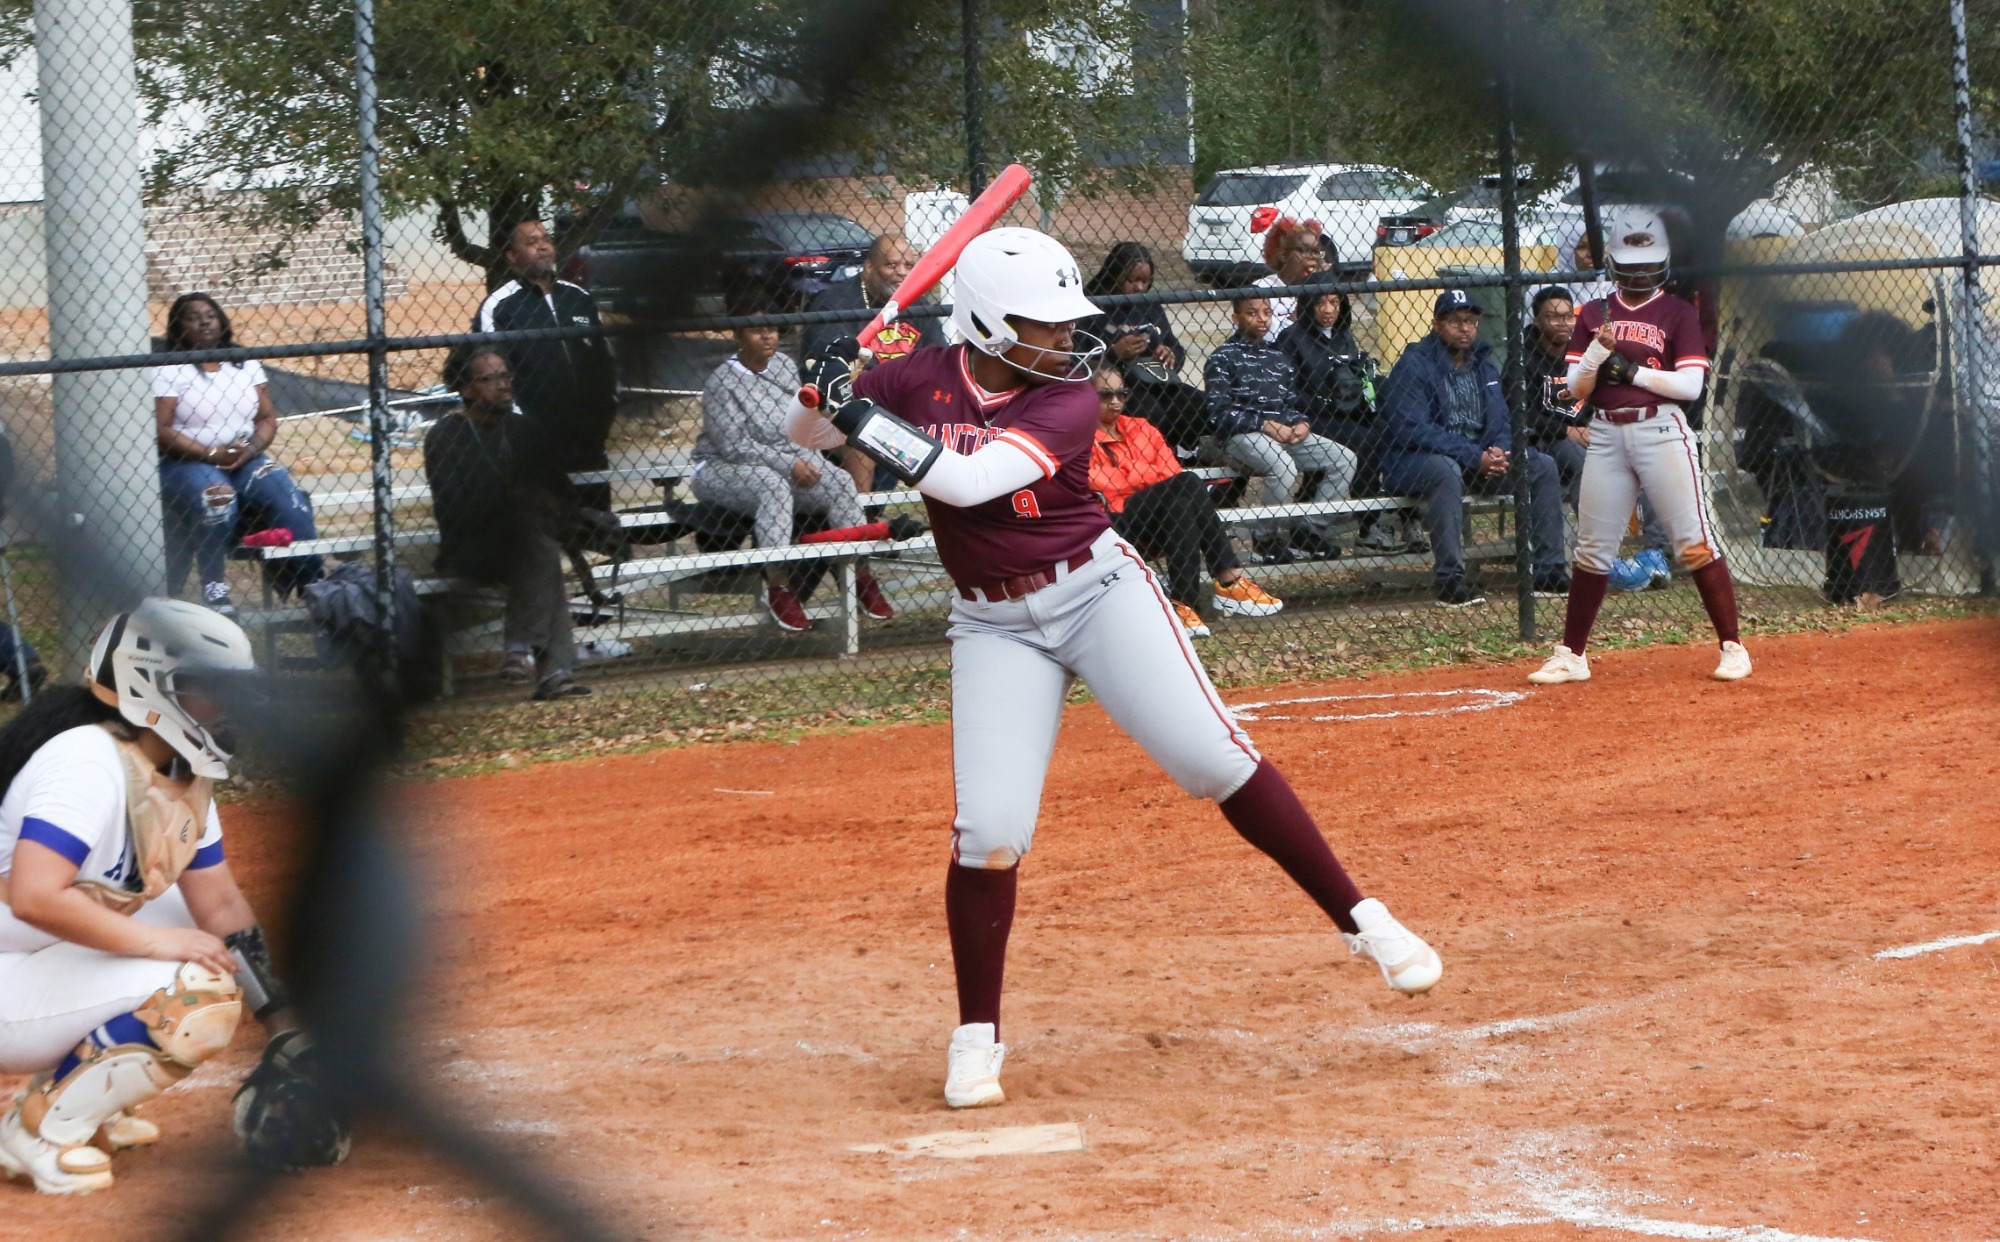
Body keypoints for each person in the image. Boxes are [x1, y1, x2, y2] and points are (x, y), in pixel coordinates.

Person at [785, 227, 1441, 1112]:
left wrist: (860, 413)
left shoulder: (1063, 401)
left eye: (1065, 322)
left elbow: (967, 482)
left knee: (1211, 758)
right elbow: (808, 429)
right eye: (1042, 323)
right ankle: (976, 1035)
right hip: (992, 621)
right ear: (981, 322)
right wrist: (824, 379)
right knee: (990, 831)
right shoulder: (917, 374)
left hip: (1096, 591)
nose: (1065, 340)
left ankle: (1364, 919)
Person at [0, 600, 332, 1193]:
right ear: (146, 684)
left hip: (27, 957)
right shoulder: (86, 760)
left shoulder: (178, 768)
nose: (227, 705)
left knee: (205, 939)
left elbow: (222, 908)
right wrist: (158, 942)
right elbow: (32, 896)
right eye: (208, 687)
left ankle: (79, 1097)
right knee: (193, 988)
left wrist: (284, 1028)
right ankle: (37, 1133)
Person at [1528, 209, 1750, 684]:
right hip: (1606, 433)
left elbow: (1691, 386)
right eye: (1630, 268)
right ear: (1614, 265)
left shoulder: (1678, 312)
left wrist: (1634, 373)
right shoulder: (1592, 314)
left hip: (1661, 430)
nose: (1638, 276)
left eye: (1646, 268)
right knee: (1593, 548)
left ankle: (1733, 646)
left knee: (1693, 542)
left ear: (1662, 266)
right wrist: (1597, 352)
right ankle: (1572, 654)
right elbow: (1576, 388)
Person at [693, 323, 893, 633]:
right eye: (756, 330)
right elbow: (733, 447)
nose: (767, 336)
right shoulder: (722, 380)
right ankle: (779, 586)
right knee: (771, 485)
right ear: (738, 335)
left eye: (772, 329)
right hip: (721, 468)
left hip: (782, 465)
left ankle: (858, 575)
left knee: (839, 482)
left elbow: (803, 425)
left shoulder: (785, 367)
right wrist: (790, 465)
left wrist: (808, 462)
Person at [1378, 290, 1571, 607]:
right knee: (1446, 470)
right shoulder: (1414, 364)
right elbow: (1413, 429)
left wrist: (1500, 451)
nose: (1465, 328)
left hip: (1480, 460)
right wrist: (1474, 456)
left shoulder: (1484, 362)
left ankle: (1549, 572)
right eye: (1455, 321)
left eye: (1471, 321)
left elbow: (1504, 418)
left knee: (1541, 465)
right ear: (1436, 324)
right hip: (1417, 461)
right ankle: (1449, 580)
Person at [422, 345, 591, 700]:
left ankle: (525, 655)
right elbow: (452, 508)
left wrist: (545, 503)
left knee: (537, 545)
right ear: (465, 388)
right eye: (489, 378)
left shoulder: (526, 430)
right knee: (540, 549)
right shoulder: (445, 436)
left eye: (505, 375)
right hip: (473, 545)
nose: (502, 385)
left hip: (530, 545)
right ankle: (543, 664)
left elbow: (563, 493)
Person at [154, 292, 322, 617]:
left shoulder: (244, 364)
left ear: (221, 321)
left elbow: (267, 417)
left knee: (288, 496)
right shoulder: (169, 368)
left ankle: (314, 584)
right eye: (193, 316)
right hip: (187, 462)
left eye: (210, 315)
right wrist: (210, 452)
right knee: (218, 498)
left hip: (244, 458)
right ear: (178, 326)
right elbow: (161, 429)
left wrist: (252, 449)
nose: (204, 321)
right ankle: (215, 588)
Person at [1087, 364, 1283, 637]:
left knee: (1181, 503)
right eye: (1106, 395)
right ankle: (1228, 580)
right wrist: (1145, 473)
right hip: (1116, 521)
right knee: (1187, 485)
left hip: (1158, 518)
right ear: (1086, 396)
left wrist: (1129, 472)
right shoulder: (1079, 437)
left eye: (1122, 393)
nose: (1116, 401)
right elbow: (1100, 483)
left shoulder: (1141, 427)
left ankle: (1183, 605)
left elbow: (1170, 472)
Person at [1203, 295, 1359, 564]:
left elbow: (1289, 403)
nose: (1262, 318)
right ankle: (1266, 539)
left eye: (1266, 312)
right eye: (1252, 313)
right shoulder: (1222, 358)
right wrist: (1264, 424)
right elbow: (1219, 412)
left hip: (1282, 433)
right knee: (1283, 468)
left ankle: (1308, 531)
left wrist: (1301, 422)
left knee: (1344, 459)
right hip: (1242, 435)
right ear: (1236, 318)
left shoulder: (1278, 357)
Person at [473, 219, 620, 499]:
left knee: (596, 525)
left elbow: (606, 362)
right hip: (533, 443)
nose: (542, 246)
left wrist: (605, 411)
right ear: (512, 256)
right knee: (549, 525)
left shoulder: (580, 298)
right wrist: (523, 427)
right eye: (531, 242)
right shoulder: (499, 306)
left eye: (545, 239)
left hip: (589, 438)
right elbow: (492, 375)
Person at [799, 233, 949, 494]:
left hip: (904, 404)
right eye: (891, 265)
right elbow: (835, 370)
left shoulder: (917, 304)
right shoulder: (836, 303)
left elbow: (939, 357)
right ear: (869, 267)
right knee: (863, 425)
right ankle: (862, 518)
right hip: (841, 409)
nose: (901, 273)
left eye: (908, 266)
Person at [1278, 276, 1410, 554]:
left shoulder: (1343, 336)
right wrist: (1325, 400)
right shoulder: (1291, 338)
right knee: (1365, 440)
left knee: (1387, 428)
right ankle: (1369, 526)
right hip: (1310, 417)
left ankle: (1409, 517)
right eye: (1321, 303)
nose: (1328, 310)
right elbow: (1287, 391)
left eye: (1334, 302)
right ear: (1308, 305)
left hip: (1345, 412)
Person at [1078, 243, 1208, 454]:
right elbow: (1079, 360)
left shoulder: (1149, 303)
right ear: (1114, 275)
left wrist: (1171, 353)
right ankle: (1150, 458)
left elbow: (1174, 344)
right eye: (1132, 280)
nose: (1139, 288)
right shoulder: (1092, 305)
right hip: (1123, 385)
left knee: (1195, 402)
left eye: (1145, 281)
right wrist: (1114, 353)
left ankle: (1182, 454)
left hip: (1158, 381)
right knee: (1149, 411)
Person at [1255, 218, 1328, 341]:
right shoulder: (1261, 289)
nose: (1313, 257)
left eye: (1316, 251)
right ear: (1283, 255)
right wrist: (1306, 306)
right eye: (1305, 250)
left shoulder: (1319, 288)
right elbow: (1270, 340)